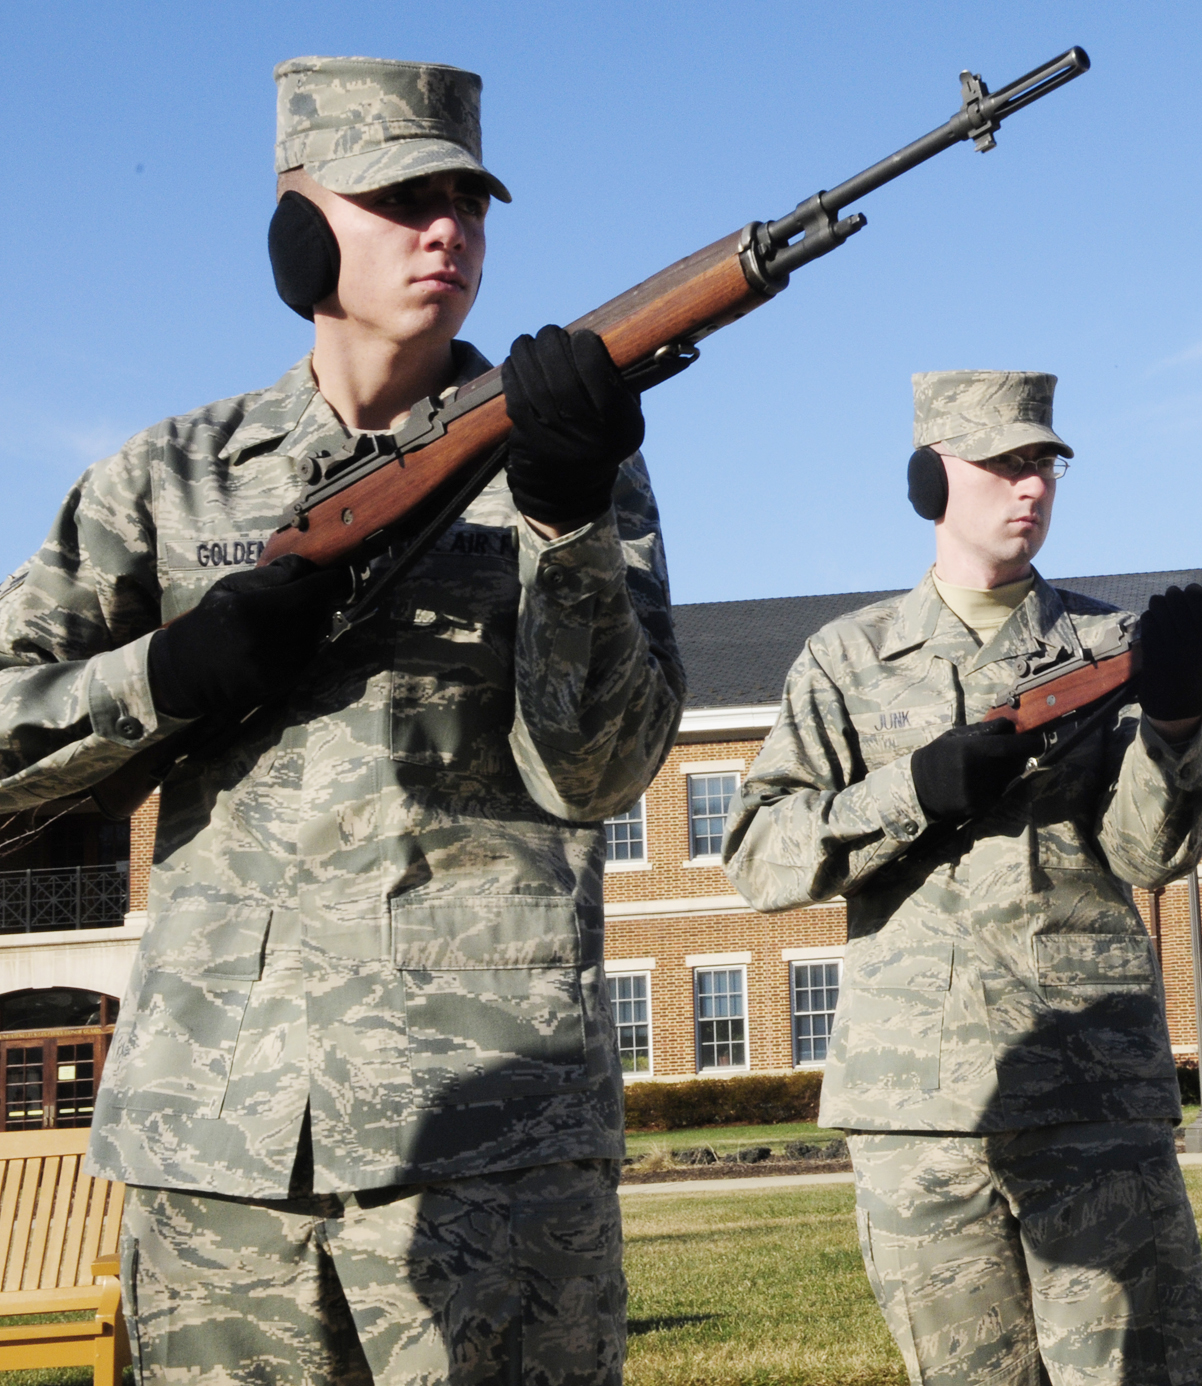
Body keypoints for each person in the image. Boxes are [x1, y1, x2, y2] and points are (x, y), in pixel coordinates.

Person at [0, 56, 684, 1382]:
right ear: (301, 231)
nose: (448, 231)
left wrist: (566, 524)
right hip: (219, 1150)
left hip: (493, 1135)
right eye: (402, 199)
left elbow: (601, 771)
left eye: (468, 201)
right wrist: (162, 674)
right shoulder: (168, 481)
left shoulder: (572, 462)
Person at [722, 370, 1202, 1385]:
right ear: (931, 479)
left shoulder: (1114, 646)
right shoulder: (849, 657)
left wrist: (1174, 726)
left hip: (1089, 1084)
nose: (1031, 486)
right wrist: (909, 790)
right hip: (914, 1102)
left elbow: (1153, 857)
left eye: (1045, 463)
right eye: (1003, 463)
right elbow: (759, 857)